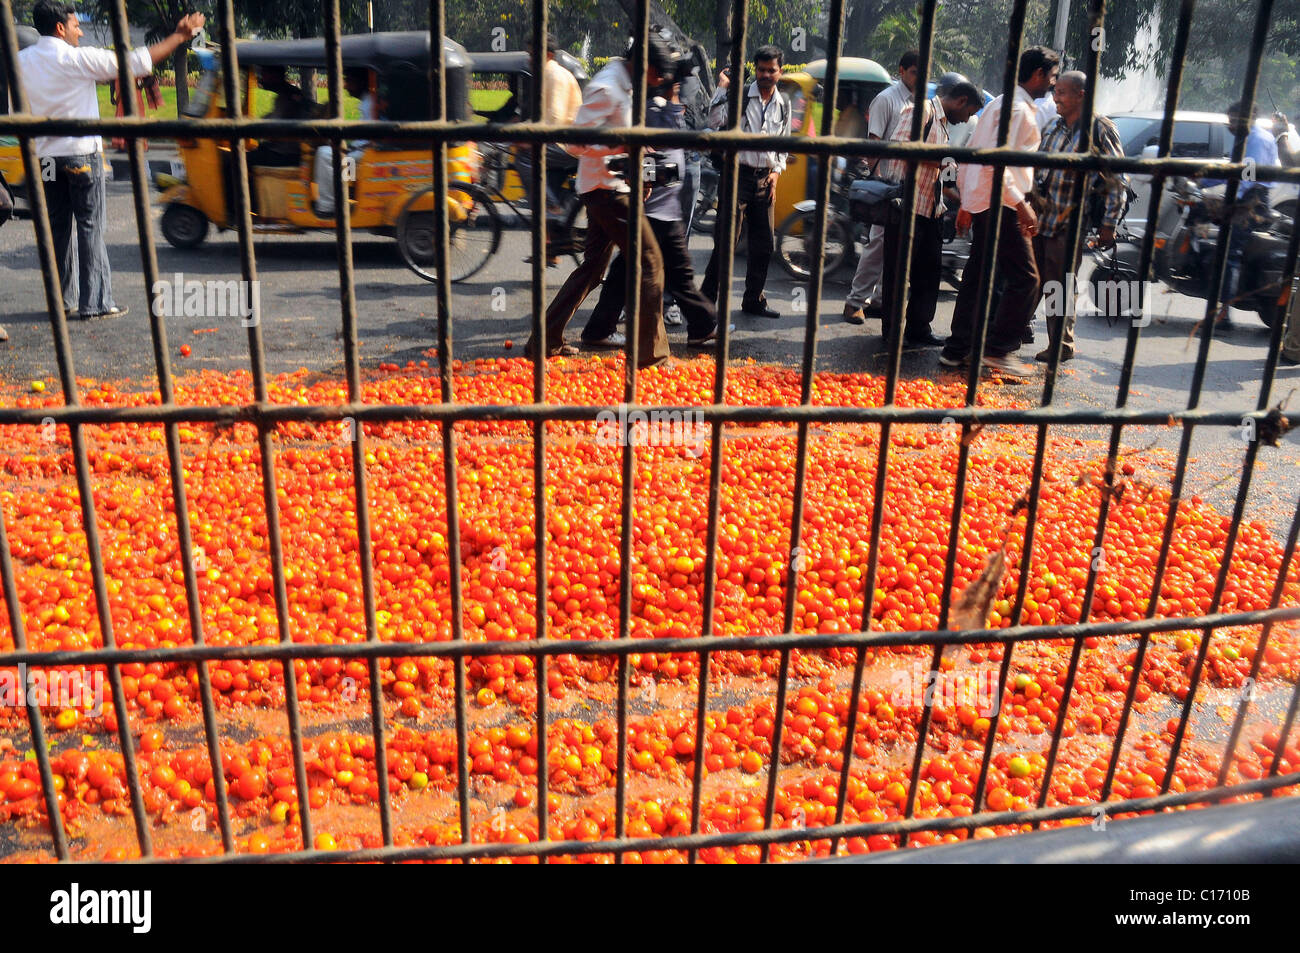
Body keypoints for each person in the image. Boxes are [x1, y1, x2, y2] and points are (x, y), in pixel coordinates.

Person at [18, 1, 205, 321]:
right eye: (77, 26)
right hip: (81, 156)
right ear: (60, 28)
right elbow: (136, 62)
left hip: (45, 160)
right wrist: (179, 36)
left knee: (57, 229)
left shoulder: (20, 61)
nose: (81, 31)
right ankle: (96, 303)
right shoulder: (76, 58)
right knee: (90, 226)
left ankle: (63, 300)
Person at [522, 35, 676, 368]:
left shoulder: (627, 85)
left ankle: (543, 341)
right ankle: (652, 354)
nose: (661, 80)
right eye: (659, 73)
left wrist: (642, 167)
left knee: (592, 269)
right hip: (605, 191)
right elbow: (575, 142)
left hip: (612, 185)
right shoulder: (607, 88)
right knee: (651, 263)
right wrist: (616, 146)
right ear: (645, 65)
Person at [940, 45, 1059, 379]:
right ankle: (997, 349)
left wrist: (966, 204)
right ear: (1037, 74)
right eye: (1050, 77)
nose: (1051, 84)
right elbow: (995, 162)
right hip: (1002, 203)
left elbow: (974, 154)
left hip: (986, 202)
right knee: (1027, 279)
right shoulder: (1016, 109)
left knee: (978, 279)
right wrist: (1022, 206)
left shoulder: (1002, 104)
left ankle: (958, 350)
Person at [580, 85, 720, 349]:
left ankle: (599, 328)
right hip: (656, 209)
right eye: (674, 83)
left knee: (625, 271)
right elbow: (642, 156)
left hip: (664, 208)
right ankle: (703, 325)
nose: (677, 87)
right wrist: (660, 176)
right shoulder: (652, 107)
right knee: (679, 273)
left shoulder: (669, 106)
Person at [1029, 70, 1127, 362]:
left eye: (1061, 93)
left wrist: (1108, 225)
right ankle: (1007, 336)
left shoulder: (1100, 129)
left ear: (1080, 96)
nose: (1055, 98)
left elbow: (1116, 180)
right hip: (1038, 220)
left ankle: (1061, 344)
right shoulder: (1052, 128)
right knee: (1030, 280)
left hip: (1068, 223)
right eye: (1054, 92)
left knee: (1058, 285)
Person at [877, 81, 982, 346]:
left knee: (929, 273)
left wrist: (964, 199)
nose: (966, 120)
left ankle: (918, 329)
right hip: (906, 209)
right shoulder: (920, 111)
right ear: (960, 101)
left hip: (931, 211)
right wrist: (944, 161)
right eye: (969, 113)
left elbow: (944, 177)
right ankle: (891, 334)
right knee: (898, 274)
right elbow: (901, 149)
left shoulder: (944, 124)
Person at [699, 45, 791, 319]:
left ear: (779, 72)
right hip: (737, 175)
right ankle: (706, 302)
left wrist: (776, 172)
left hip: (764, 180)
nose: (765, 75)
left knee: (764, 244)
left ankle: (753, 299)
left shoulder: (783, 104)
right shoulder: (740, 96)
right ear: (755, 69)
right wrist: (722, 89)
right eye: (761, 69)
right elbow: (714, 121)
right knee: (727, 242)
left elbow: (783, 143)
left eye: (771, 70)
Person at [843, 49, 919, 325]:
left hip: (906, 185)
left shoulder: (920, 102)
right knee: (877, 245)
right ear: (902, 71)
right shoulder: (887, 100)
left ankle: (880, 301)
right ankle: (854, 302)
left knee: (897, 247)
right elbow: (873, 144)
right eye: (914, 72)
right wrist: (881, 184)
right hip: (886, 184)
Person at [313, 67, 375, 218]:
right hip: (362, 151)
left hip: (367, 154)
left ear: (361, 82)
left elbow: (375, 137)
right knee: (330, 150)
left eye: (349, 81)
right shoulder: (367, 101)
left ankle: (328, 206)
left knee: (324, 153)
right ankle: (343, 193)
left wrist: (351, 149)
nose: (346, 85)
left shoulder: (370, 103)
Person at [249, 66, 321, 167]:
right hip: (285, 151)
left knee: (238, 159)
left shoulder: (288, 96)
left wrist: (252, 129)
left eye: (264, 75)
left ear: (275, 76)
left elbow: (274, 128)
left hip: (285, 155)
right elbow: (271, 117)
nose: (261, 79)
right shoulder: (286, 94)